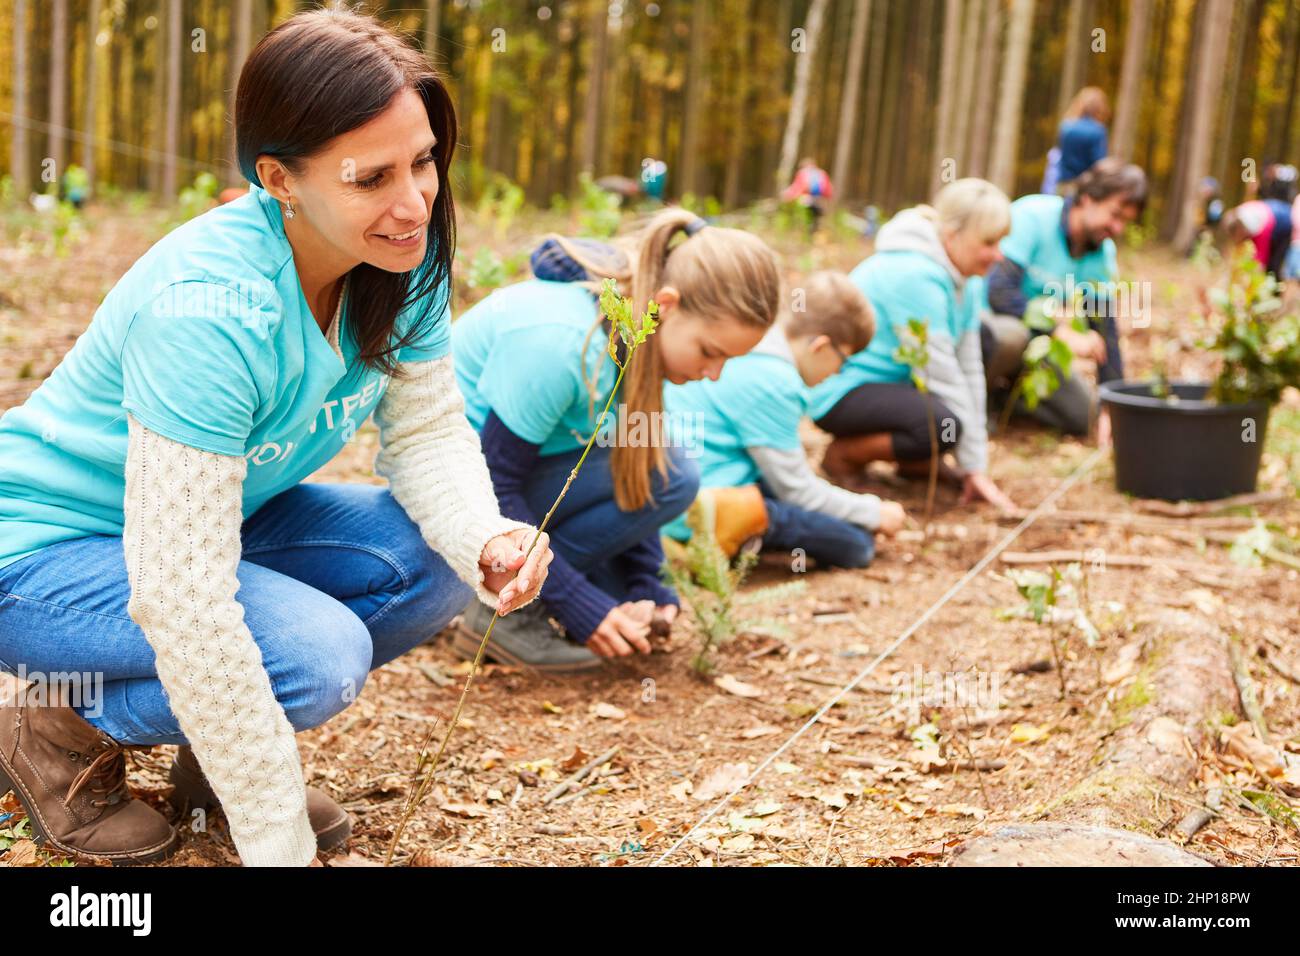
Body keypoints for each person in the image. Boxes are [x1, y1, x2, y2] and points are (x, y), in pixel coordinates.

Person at [0, 9, 554, 868]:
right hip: (42, 552)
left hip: (206, 530)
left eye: (423, 162)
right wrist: (278, 843)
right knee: (314, 657)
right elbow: (183, 602)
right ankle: (54, 726)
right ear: (279, 178)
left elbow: (428, 433)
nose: (413, 203)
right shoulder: (208, 311)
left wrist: (487, 535)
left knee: (435, 564)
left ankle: (208, 766)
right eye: (372, 178)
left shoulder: (400, 257)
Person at [450, 209, 781, 669]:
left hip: (524, 479)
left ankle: (540, 592)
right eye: (710, 352)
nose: (713, 374)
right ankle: (498, 614)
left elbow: (628, 468)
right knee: (673, 474)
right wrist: (582, 609)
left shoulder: (635, 336)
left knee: (667, 472)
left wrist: (646, 584)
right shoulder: (564, 344)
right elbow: (494, 485)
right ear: (666, 306)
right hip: (456, 498)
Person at [662, 272, 906, 569]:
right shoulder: (776, 380)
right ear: (821, 346)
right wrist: (873, 512)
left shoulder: (758, 348)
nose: (840, 372)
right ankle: (744, 527)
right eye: (844, 361)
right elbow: (795, 489)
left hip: (689, 480)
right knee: (856, 545)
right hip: (704, 499)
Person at [810, 180, 1017, 512]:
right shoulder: (914, 275)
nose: (999, 254)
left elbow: (969, 368)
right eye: (989, 242)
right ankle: (844, 456)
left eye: (1001, 241)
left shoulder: (968, 278)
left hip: (894, 384)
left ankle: (914, 461)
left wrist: (973, 464)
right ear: (952, 236)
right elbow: (943, 376)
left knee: (984, 346)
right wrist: (973, 467)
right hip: (841, 388)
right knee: (942, 426)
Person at [984, 158, 1148, 438]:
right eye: (1115, 214)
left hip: (1037, 345)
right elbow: (998, 292)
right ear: (1088, 198)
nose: (1117, 228)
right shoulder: (1031, 216)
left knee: (1084, 415)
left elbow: (1104, 328)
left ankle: (1003, 400)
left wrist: (1113, 406)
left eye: (1125, 222)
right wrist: (1058, 331)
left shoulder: (1100, 252)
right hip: (990, 328)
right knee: (1011, 336)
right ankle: (977, 401)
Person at [1055, 87, 1110, 191]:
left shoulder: (1066, 126)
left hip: (1063, 185)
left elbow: (1059, 155)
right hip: (1085, 189)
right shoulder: (1098, 130)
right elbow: (1099, 163)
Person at [782, 158, 834, 233]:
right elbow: (829, 190)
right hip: (820, 201)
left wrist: (788, 195)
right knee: (814, 220)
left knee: (803, 217)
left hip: (806, 200)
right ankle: (812, 234)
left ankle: (799, 233)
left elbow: (797, 188)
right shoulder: (822, 173)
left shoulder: (803, 173)